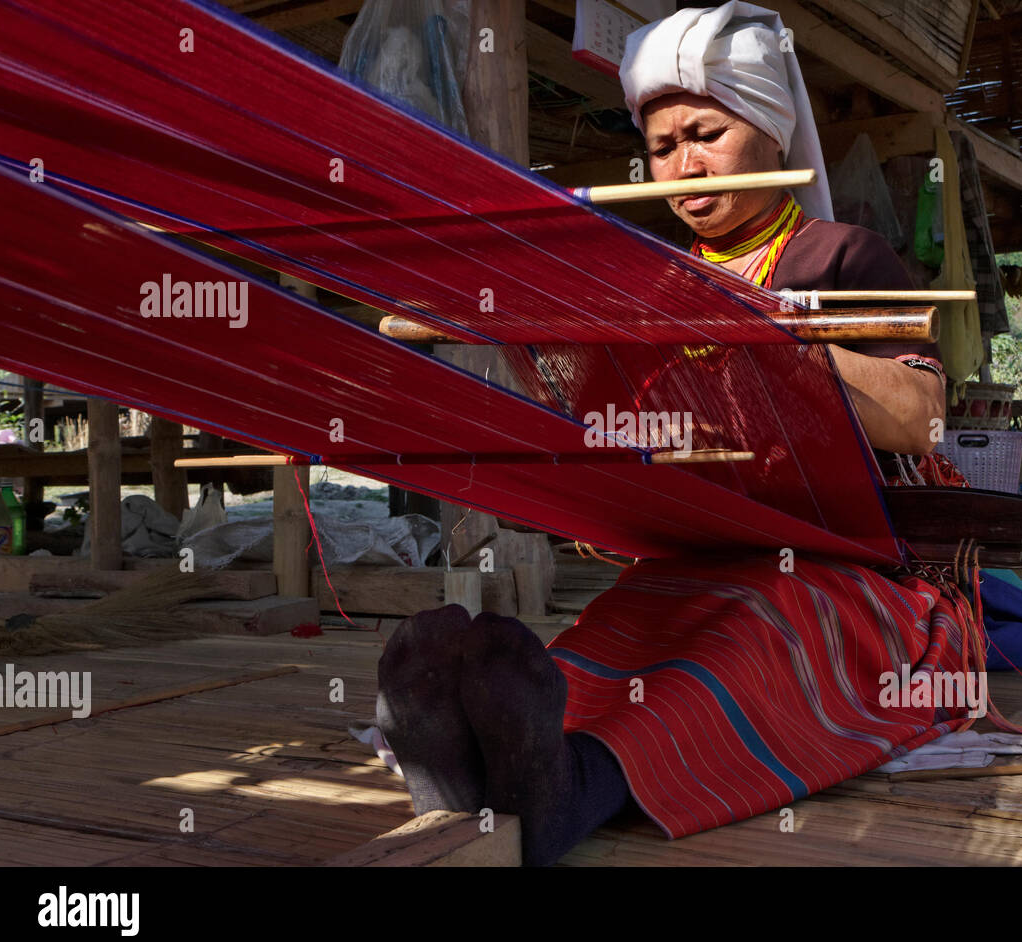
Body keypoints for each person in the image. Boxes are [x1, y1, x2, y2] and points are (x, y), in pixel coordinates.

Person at [376, 2, 982, 866]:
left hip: (853, 566)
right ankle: (479, 763)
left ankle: (569, 791)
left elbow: (920, 416)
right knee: (618, 637)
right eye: (662, 148)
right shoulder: (653, 288)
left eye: (706, 132)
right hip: (701, 555)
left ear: (770, 129)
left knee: (750, 639)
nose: (683, 165)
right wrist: (515, 323)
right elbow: (604, 415)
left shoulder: (840, 258)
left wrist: (780, 335)